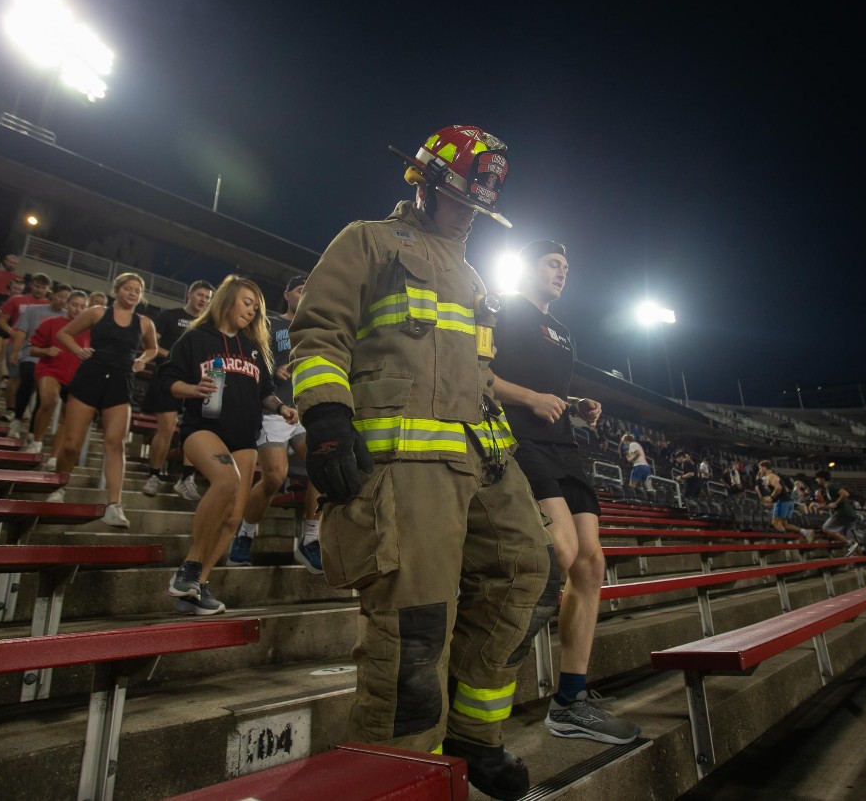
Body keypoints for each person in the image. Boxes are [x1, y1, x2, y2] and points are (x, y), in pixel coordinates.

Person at [289, 125, 554, 801]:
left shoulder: (471, 278)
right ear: (427, 182)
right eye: (463, 197)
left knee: (530, 570)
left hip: (480, 461)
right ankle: (397, 781)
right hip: (404, 470)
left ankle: (472, 737)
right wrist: (325, 415)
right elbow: (319, 331)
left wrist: (505, 454)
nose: (471, 211)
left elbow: (478, 375)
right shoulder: (369, 241)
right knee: (415, 630)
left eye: (480, 204)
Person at [489, 239, 640, 746]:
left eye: (566, 267)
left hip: (562, 445)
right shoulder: (502, 310)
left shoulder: (563, 332)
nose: (562, 273)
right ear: (527, 267)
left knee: (592, 564)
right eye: (553, 263)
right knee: (564, 550)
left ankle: (571, 699)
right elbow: (480, 376)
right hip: (520, 437)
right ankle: (488, 658)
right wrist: (530, 398)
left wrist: (577, 404)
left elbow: (548, 385)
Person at [162, 275, 291, 614]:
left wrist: (282, 407)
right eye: (247, 302)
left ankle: (197, 586)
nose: (252, 311)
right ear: (228, 298)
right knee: (226, 480)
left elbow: (265, 392)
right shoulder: (196, 338)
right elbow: (168, 381)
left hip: (244, 437)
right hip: (202, 428)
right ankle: (188, 568)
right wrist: (193, 389)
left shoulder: (253, 347)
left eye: (257, 308)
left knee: (234, 518)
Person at [46, 273, 158, 530]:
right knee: (72, 444)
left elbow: (152, 348)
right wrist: (78, 351)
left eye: (137, 290)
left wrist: (143, 359)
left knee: (116, 443)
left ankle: (114, 505)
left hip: (121, 382)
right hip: (90, 376)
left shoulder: (144, 323)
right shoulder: (97, 312)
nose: (132, 293)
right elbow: (65, 334)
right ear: (117, 290)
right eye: (127, 288)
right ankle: (59, 486)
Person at [228, 273, 321, 570]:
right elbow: (251, 358)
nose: (306, 294)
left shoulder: (316, 328)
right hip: (273, 409)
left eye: (310, 291)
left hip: (305, 411)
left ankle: (310, 539)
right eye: (300, 289)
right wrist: (273, 371)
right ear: (287, 294)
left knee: (323, 469)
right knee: (274, 476)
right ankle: (246, 532)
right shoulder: (268, 323)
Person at [139, 280, 215, 500]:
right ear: (189, 294)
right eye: (200, 295)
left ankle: (187, 479)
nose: (203, 300)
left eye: (207, 297)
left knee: (195, 431)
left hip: (197, 382)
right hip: (169, 378)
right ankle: (153, 475)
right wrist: (177, 357)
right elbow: (151, 346)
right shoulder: (168, 316)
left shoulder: (208, 324)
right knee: (167, 427)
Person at [26, 291, 90, 455]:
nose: (78, 309)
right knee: (48, 401)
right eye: (75, 305)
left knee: (68, 418)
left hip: (75, 375)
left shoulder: (90, 330)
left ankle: (54, 457)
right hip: (50, 369)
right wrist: (45, 350)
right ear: (67, 304)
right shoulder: (51, 323)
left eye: (83, 307)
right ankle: (36, 442)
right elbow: (32, 350)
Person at [10, 282, 73, 451]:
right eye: (59, 296)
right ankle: (16, 419)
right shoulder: (34, 311)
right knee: (28, 381)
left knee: (45, 397)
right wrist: (15, 351)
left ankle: (33, 431)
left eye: (65, 298)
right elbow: (22, 332)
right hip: (32, 355)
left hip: (53, 362)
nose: (62, 300)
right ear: (52, 295)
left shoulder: (72, 319)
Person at [0, 272, 51, 421]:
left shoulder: (50, 306)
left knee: (31, 379)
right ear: (30, 285)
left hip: (36, 348)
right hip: (16, 344)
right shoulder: (16, 300)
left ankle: (22, 405)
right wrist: (12, 333)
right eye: (37, 286)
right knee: (15, 378)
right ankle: (10, 409)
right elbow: (2, 320)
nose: (39, 290)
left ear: (48, 289)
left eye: (43, 287)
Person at [757, 460, 813, 541]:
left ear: (764, 468)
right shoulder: (772, 476)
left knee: (775, 523)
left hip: (782, 502)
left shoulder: (770, 476)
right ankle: (806, 532)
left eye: (760, 468)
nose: (760, 470)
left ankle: (788, 542)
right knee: (784, 524)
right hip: (788, 502)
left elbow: (778, 488)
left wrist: (772, 497)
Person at [813, 470, 862, 555]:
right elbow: (833, 505)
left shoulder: (831, 486)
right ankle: (862, 561)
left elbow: (845, 494)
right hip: (849, 514)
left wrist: (835, 503)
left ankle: (848, 544)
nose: (816, 480)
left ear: (823, 479)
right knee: (852, 539)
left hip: (843, 512)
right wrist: (823, 507)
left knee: (826, 528)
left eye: (817, 478)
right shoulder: (827, 489)